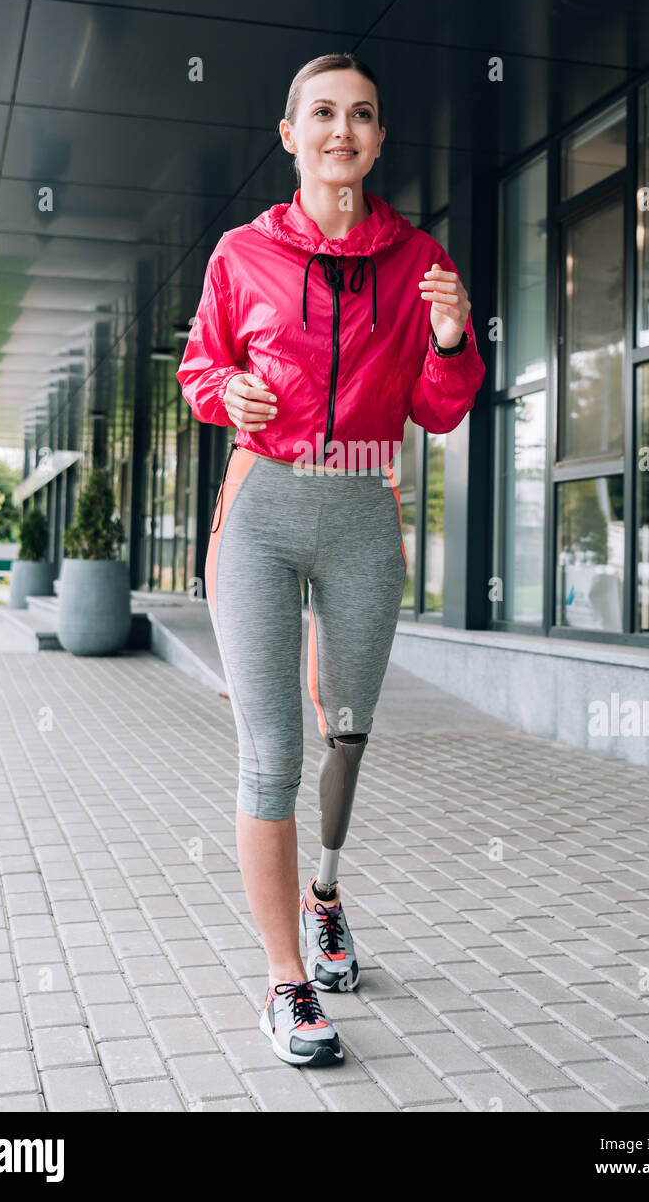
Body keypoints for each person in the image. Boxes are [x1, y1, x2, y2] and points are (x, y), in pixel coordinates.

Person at [176, 52, 486, 1067]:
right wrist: (230, 392)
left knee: (346, 729)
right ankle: (286, 982)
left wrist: (449, 334)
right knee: (271, 752)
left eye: (361, 115)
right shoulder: (241, 253)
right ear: (289, 134)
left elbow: (440, 409)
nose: (341, 130)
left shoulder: (418, 259)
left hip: (362, 509)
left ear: (381, 139)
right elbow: (199, 369)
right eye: (321, 113)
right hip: (261, 510)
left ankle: (327, 895)